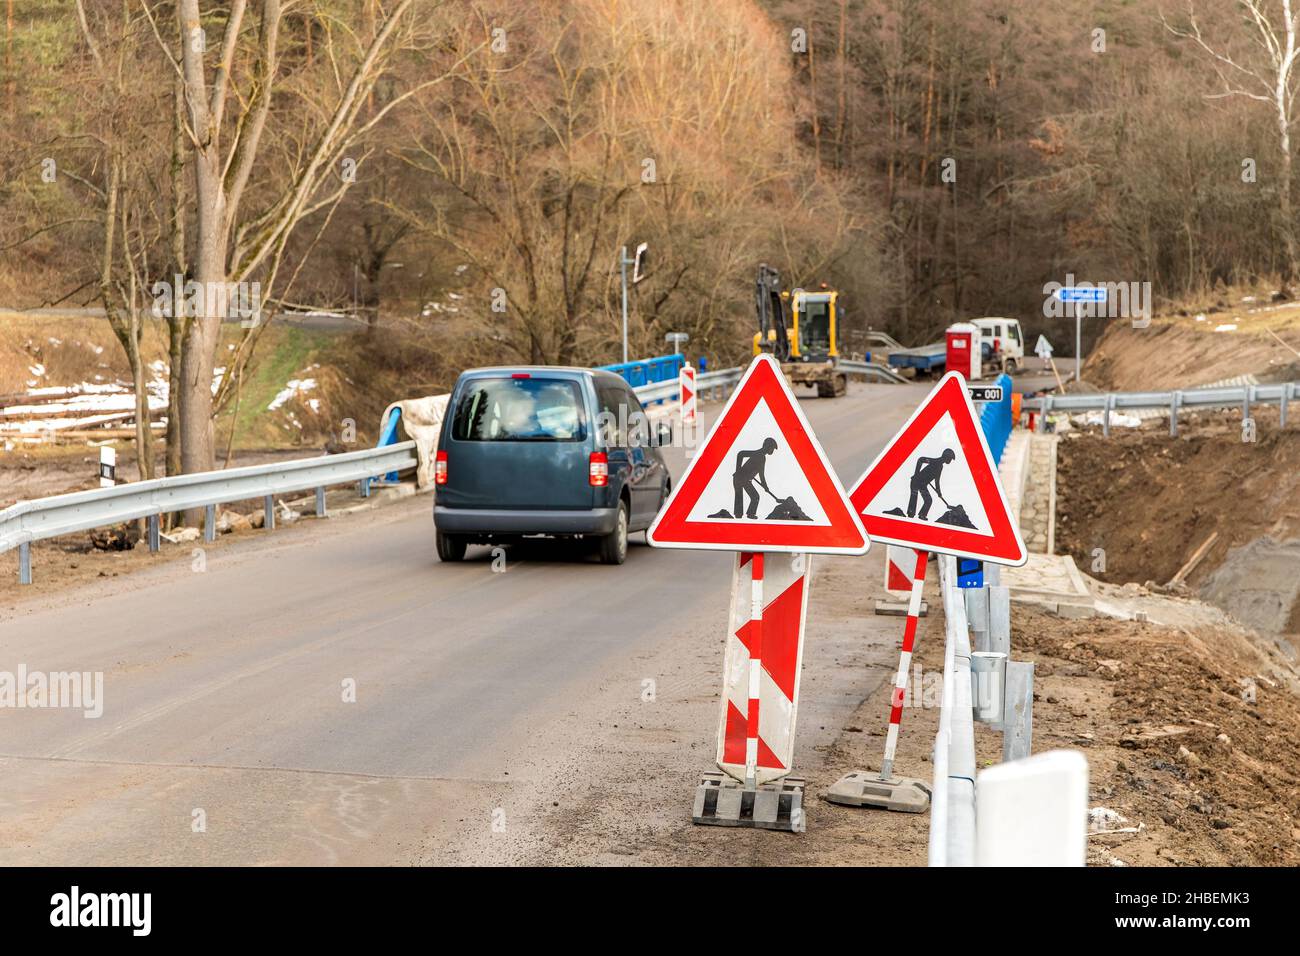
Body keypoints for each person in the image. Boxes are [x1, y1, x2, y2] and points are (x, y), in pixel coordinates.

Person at [733, 437, 778, 519]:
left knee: (747, 496)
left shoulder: (762, 457)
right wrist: (738, 470)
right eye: (772, 448)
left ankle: (741, 516)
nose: (772, 450)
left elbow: (761, 475)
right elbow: (741, 454)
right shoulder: (759, 454)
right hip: (741, 478)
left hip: (742, 478)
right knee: (754, 497)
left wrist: (765, 487)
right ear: (767, 446)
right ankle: (749, 514)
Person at [907, 448, 955, 520]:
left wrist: (939, 492)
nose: (951, 460)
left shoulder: (940, 466)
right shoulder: (936, 461)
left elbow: (937, 480)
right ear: (946, 457)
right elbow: (921, 459)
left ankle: (922, 515)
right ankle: (910, 515)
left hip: (922, 485)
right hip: (916, 482)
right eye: (950, 458)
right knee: (914, 497)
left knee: (928, 500)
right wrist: (916, 474)